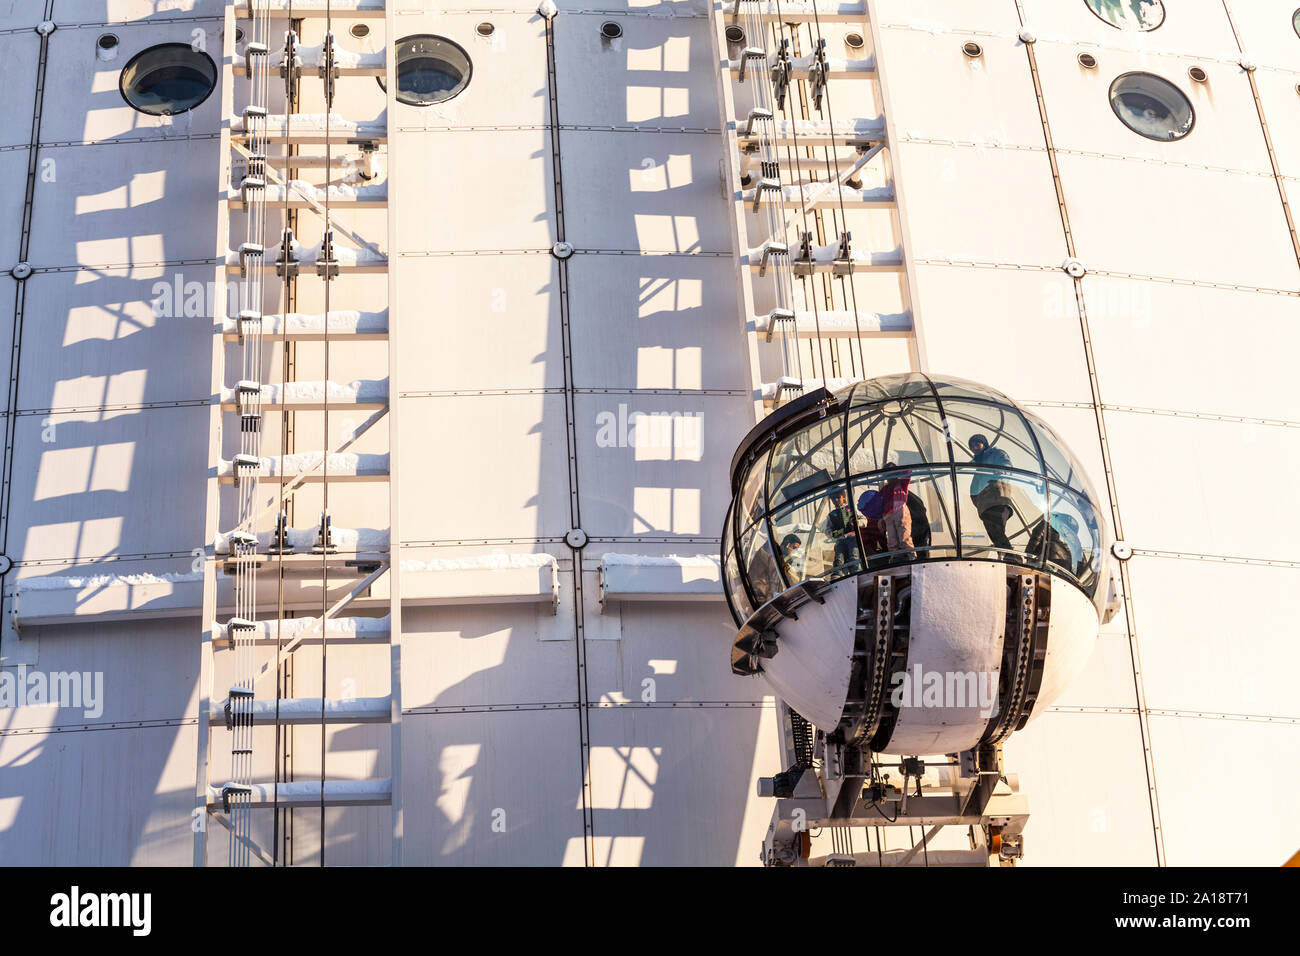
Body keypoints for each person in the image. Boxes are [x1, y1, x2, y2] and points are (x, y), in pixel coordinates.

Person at [967, 433, 1014, 551]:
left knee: (996, 531)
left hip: (997, 498)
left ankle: (1011, 556)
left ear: (985, 444)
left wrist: (1003, 471)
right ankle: (1005, 554)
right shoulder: (979, 462)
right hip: (985, 503)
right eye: (972, 446)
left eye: (977, 444)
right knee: (994, 532)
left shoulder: (996, 453)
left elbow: (1006, 464)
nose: (975, 448)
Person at [877, 462, 914, 559]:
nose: (890, 478)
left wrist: (896, 470)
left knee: (904, 534)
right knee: (892, 539)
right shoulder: (884, 489)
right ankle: (895, 557)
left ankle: (910, 555)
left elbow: (908, 471)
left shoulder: (902, 483)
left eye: (892, 475)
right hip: (888, 515)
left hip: (900, 511)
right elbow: (880, 504)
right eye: (888, 476)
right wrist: (881, 519)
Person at [823, 488, 860, 570]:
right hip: (841, 539)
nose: (836, 500)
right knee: (838, 558)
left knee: (854, 555)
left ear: (844, 497)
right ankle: (837, 573)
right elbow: (827, 530)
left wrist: (857, 523)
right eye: (833, 498)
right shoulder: (831, 515)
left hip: (853, 538)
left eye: (838, 497)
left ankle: (856, 570)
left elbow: (863, 519)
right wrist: (834, 534)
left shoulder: (851, 508)